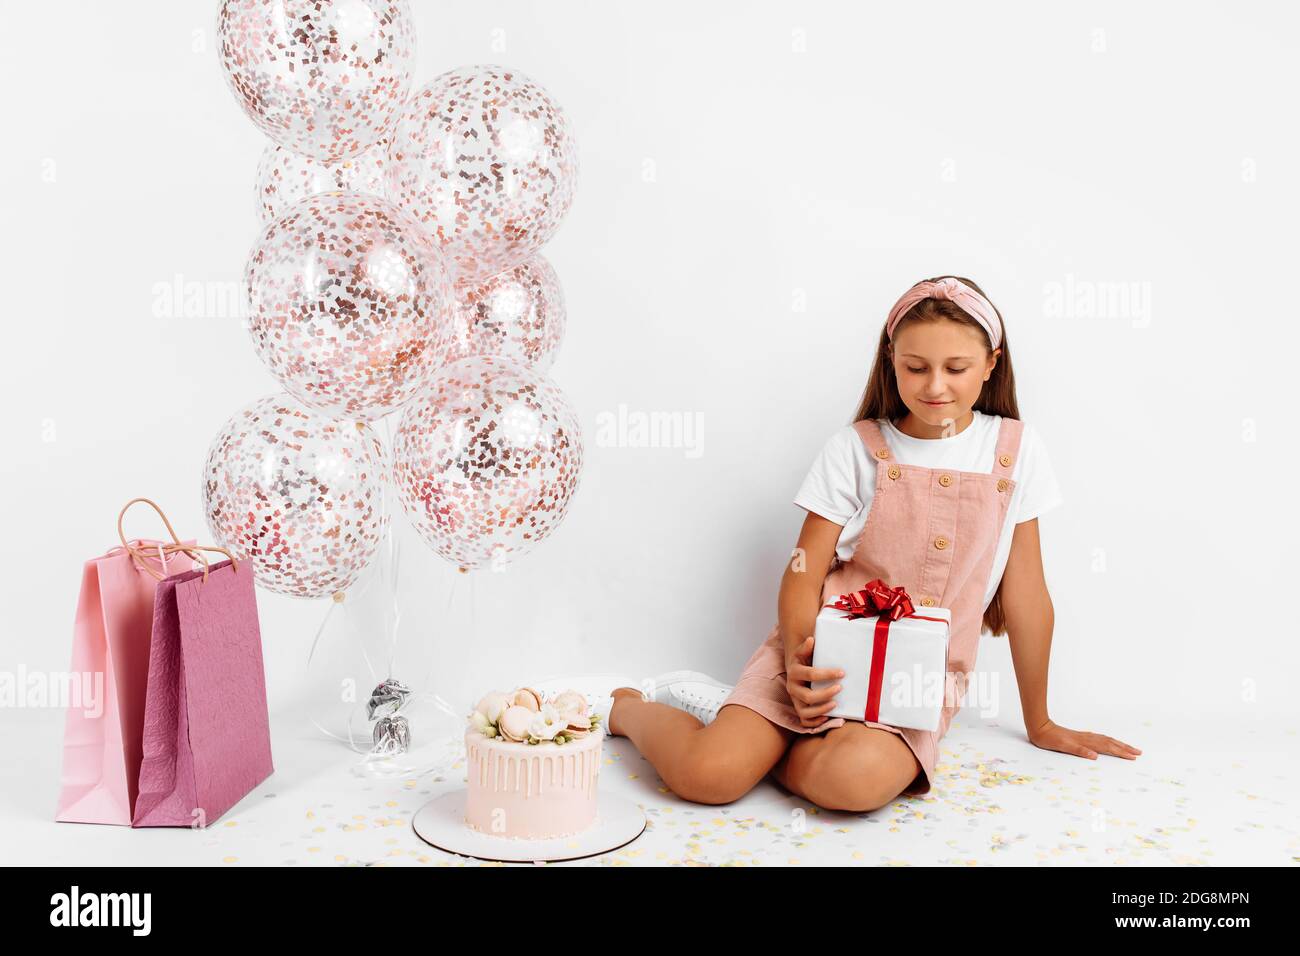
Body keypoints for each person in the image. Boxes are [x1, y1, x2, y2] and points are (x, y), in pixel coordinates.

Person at [592, 275, 1141, 811]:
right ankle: (626, 708)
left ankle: (749, 738)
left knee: (853, 785)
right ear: (890, 360)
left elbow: (1027, 594)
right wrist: (799, 663)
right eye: (915, 367)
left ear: (992, 363)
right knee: (707, 777)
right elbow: (804, 572)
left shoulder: (1016, 451)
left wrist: (1040, 721)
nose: (935, 386)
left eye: (956, 368)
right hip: (820, 656)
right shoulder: (854, 449)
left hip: (916, 680)